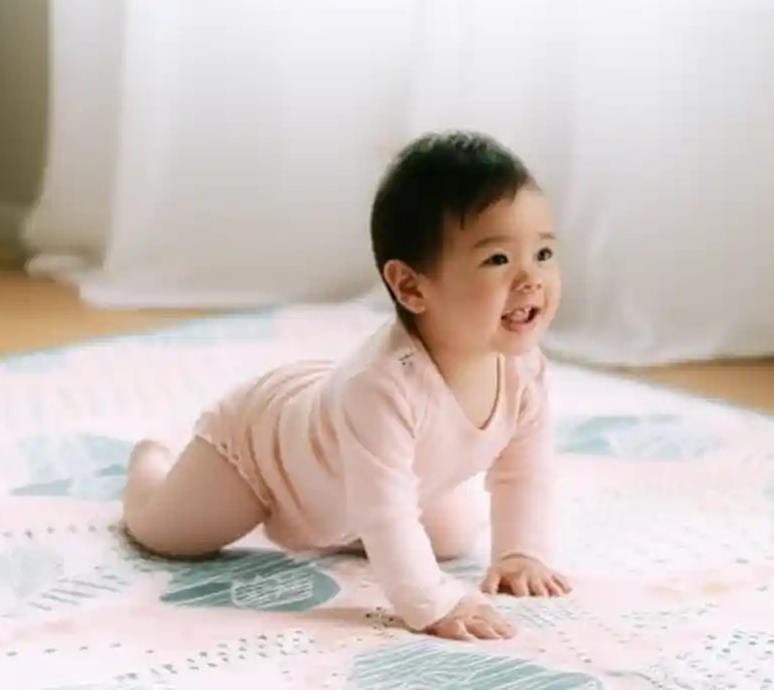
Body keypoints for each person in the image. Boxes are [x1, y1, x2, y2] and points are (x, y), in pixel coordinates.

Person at [122, 130, 570, 641]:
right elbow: (386, 513)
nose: (531, 279)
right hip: (262, 455)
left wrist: (519, 553)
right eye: (497, 260)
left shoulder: (523, 368)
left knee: (452, 536)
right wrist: (431, 603)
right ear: (410, 286)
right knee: (168, 533)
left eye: (544, 254)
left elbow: (524, 470)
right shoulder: (381, 388)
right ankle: (151, 463)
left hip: (368, 472)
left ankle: (347, 525)